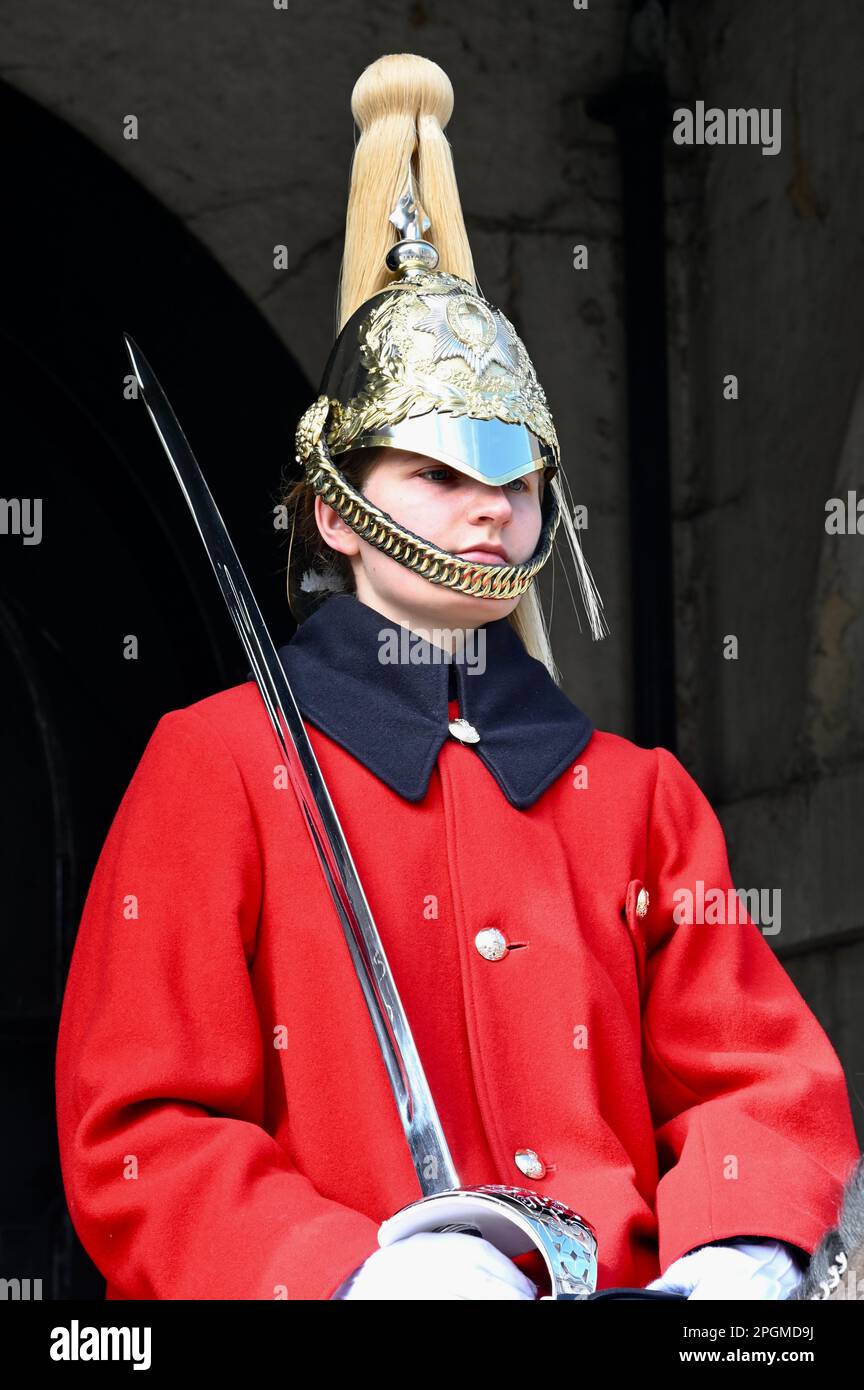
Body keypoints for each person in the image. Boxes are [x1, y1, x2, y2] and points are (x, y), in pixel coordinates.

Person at [55, 52, 860, 1302]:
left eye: (516, 481)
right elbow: (141, 1129)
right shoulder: (213, 764)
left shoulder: (640, 798)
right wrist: (339, 1272)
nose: (488, 511)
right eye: (438, 474)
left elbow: (760, 1079)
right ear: (334, 512)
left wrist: (740, 1245)